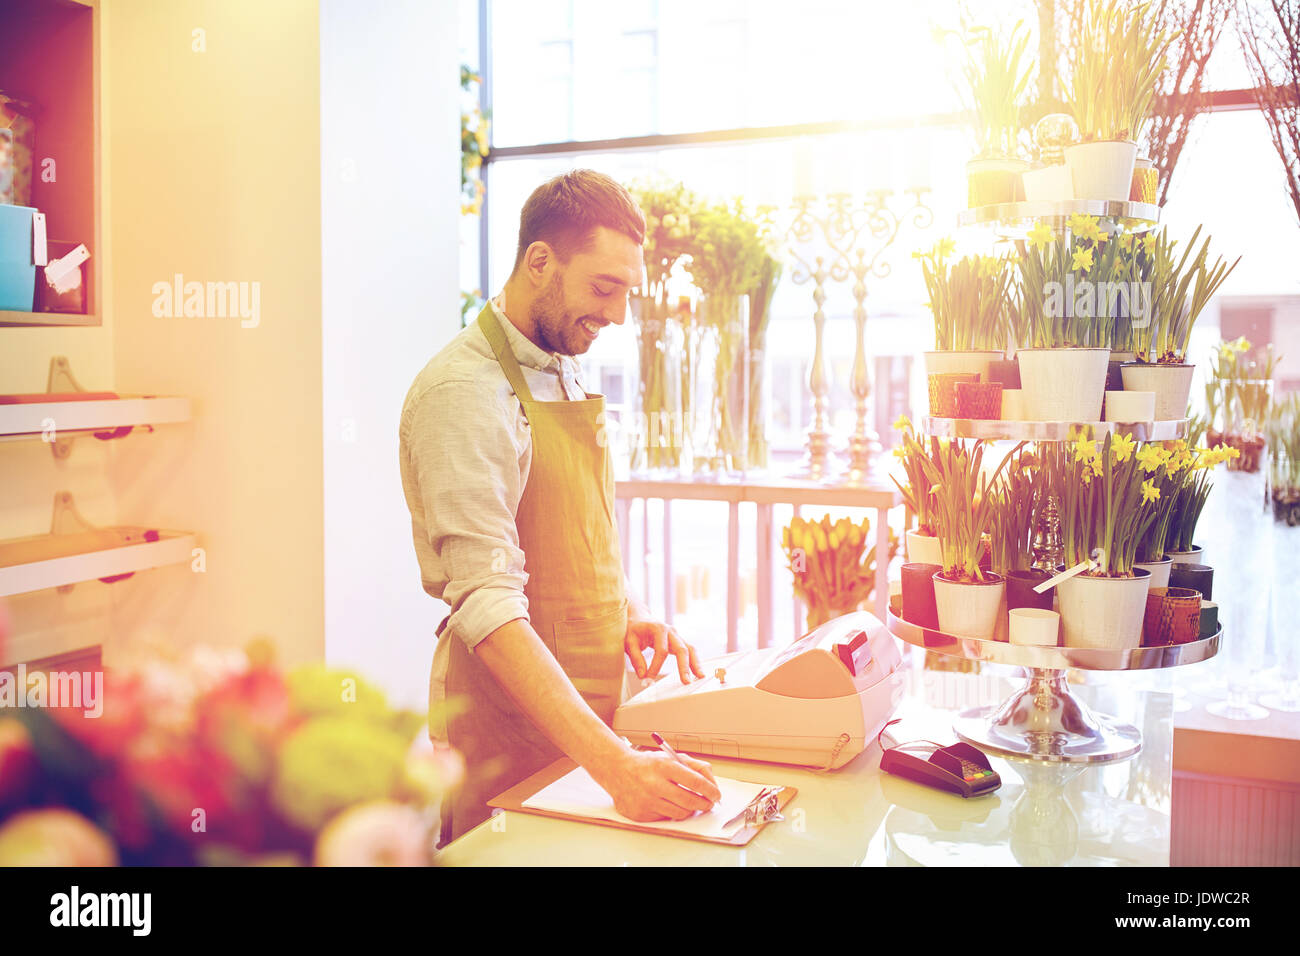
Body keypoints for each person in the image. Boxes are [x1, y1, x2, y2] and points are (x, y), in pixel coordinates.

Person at [400, 169, 721, 845]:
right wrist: (617, 767)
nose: (617, 315)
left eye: (627, 292)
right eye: (604, 288)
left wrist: (631, 613)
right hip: (511, 729)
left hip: (595, 715)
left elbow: (582, 532)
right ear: (538, 261)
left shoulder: (561, 361)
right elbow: (487, 603)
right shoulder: (462, 393)